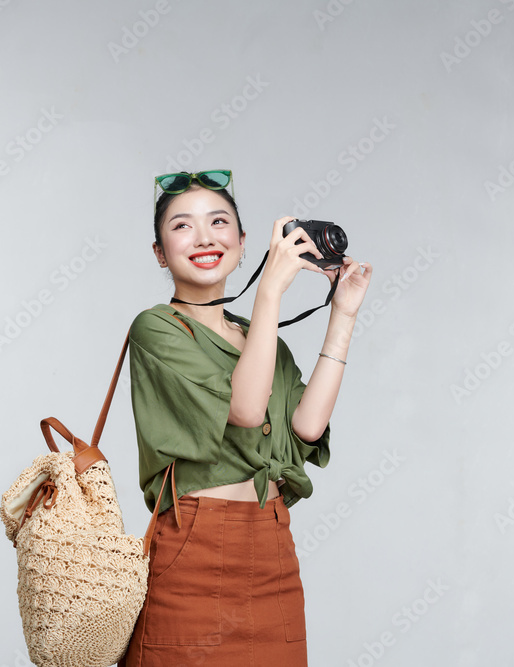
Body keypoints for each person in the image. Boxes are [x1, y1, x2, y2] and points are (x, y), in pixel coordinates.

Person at [119, 170, 371, 666]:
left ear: (243, 242)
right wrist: (270, 292)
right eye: (182, 226)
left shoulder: (260, 338)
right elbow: (247, 409)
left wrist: (343, 314)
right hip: (193, 552)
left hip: (272, 550)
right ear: (159, 252)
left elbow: (307, 428)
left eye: (218, 222)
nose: (205, 237)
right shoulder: (156, 329)